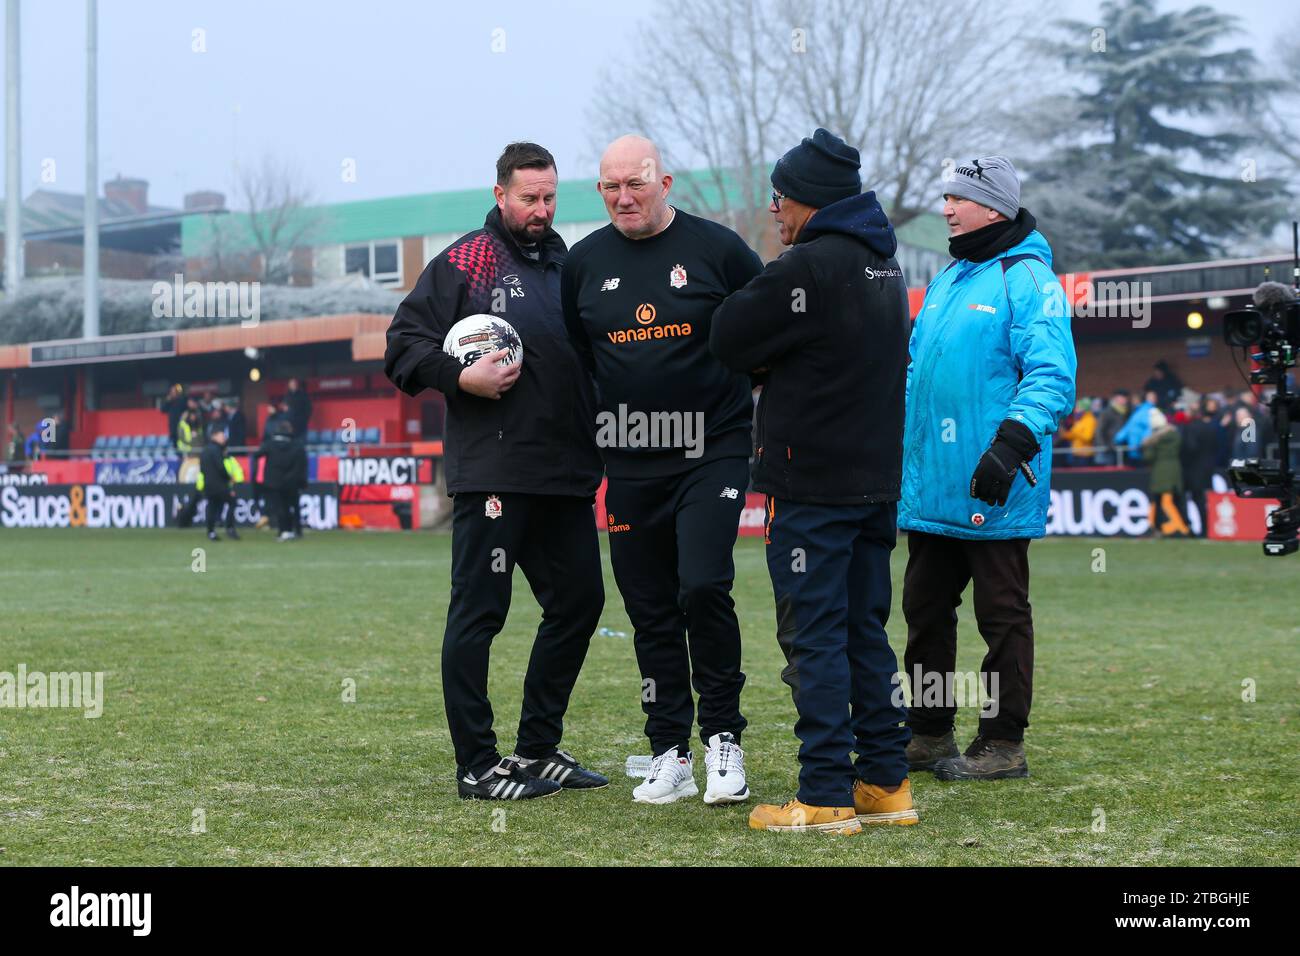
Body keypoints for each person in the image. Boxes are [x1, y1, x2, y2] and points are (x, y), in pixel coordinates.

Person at [385, 141, 608, 801]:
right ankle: (477, 765)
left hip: (564, 472)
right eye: (528, 198)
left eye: (549, 198)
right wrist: (461, 376)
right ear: (500, 195)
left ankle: (537, 750)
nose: (540, 210)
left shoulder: (566, 264)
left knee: (579, 603)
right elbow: (403, 345)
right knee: (481, 612)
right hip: (495, 474)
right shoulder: (466, 261)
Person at [711, 129, 916, 835]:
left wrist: (768, 359)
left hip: (813, 487)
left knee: (815, 637)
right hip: (873, 483)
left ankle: (825, 792)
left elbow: (729, 335)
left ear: (809, 199)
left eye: (780, 196)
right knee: (866, 630)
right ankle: (885, 782)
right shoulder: (884, 265)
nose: (774, 209)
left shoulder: (808, 265)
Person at [562, 134, 761, 806]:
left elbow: (770, 330)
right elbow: (579, 362)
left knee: (702, 586)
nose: (624, 197)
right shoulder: (583, 264)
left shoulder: (719, 249)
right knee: (649, 610)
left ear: (666, 182)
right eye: (610, 186)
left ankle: (724, 741)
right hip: (630, 458)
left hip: (714, 449)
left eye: (636, 184)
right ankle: (669, 751)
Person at [898, 156, 1076, 781]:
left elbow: (1052, 376)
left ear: (994, 208)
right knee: (923, 610)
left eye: (957, 198)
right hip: (932, 490)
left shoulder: (1028, 280)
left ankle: (1002, 744)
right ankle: (927, 732)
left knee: (1000, 618)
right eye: (945, 196)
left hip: (996, 484)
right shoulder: (950, 278)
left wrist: (1010, 446)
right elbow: (919, 377)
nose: (945, 208)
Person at [251, 419, 307, 540]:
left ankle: (283, 531)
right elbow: (302, 464)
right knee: (294, 507)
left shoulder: (269, 444)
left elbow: (256, 455)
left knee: (280, 508)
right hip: (292, 482)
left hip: (274, 482)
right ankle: (296, 530)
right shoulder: (297, 446)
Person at [1142, 409, 1189, 536]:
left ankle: (1158, 528)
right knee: (1178, 500)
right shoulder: (1175, 435)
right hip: (1175, 470)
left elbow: (1148, 457)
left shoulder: (1154, 440)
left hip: (1160, 472)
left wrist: (1147, 447)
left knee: (1158, 502)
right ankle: (1185, 526)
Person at [1179, 399, 1220, 537]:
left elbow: (1190, 449)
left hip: (1191, 471)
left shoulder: (1190, 428)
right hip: (1206, 470)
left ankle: (1188, 528)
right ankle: (1205, 529)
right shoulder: (1210, 428)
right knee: (1201, 501)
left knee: (1186, 500)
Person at [198, 426, 241, 541]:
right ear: (214, 436)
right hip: (219, 485)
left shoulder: (204, 450)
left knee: (211, 507)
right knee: (232, 502)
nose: (224, 439)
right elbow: (220, 467)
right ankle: (230, 528)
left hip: (208, 485)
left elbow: (202, 469)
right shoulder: (217, 450)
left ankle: (211, 532)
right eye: (222, 436)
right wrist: (228, 478)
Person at [1114, 390, 1158, 464]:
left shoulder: (1145, 411)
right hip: (1134, 451)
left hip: (1142, 451)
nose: (1132, 402)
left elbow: (1150, 427)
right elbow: (1128, 428)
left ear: (1138, 400)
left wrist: (1144, 442)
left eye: (1134, 400)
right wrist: (1117, 439)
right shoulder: (1136, 412)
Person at [1060, 398, 1097, 467]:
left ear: (1084, 408)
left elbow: (1088, 437)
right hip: (1077, 453)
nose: (1075, 410)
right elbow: (1072, 435)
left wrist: (1075, 434)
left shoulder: (1090, 420)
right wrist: (1063, 431)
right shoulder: (1080, 419)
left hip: (1085, 455)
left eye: (1078, 407)